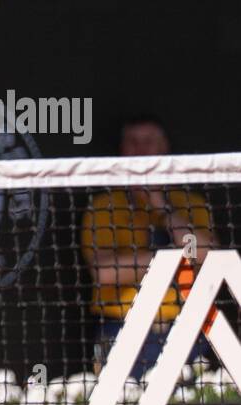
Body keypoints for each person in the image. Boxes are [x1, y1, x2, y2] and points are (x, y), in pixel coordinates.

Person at [80, 115, 214, 378]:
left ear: (164, 148)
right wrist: (174, 259)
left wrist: (161, 206)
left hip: (184, 329)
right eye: (133, 142)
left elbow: (208, 257)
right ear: (122, 149)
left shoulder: (191, 203)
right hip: (122, 332)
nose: (141, 150)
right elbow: (106, 273)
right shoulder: (102, 207)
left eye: (149, 142)